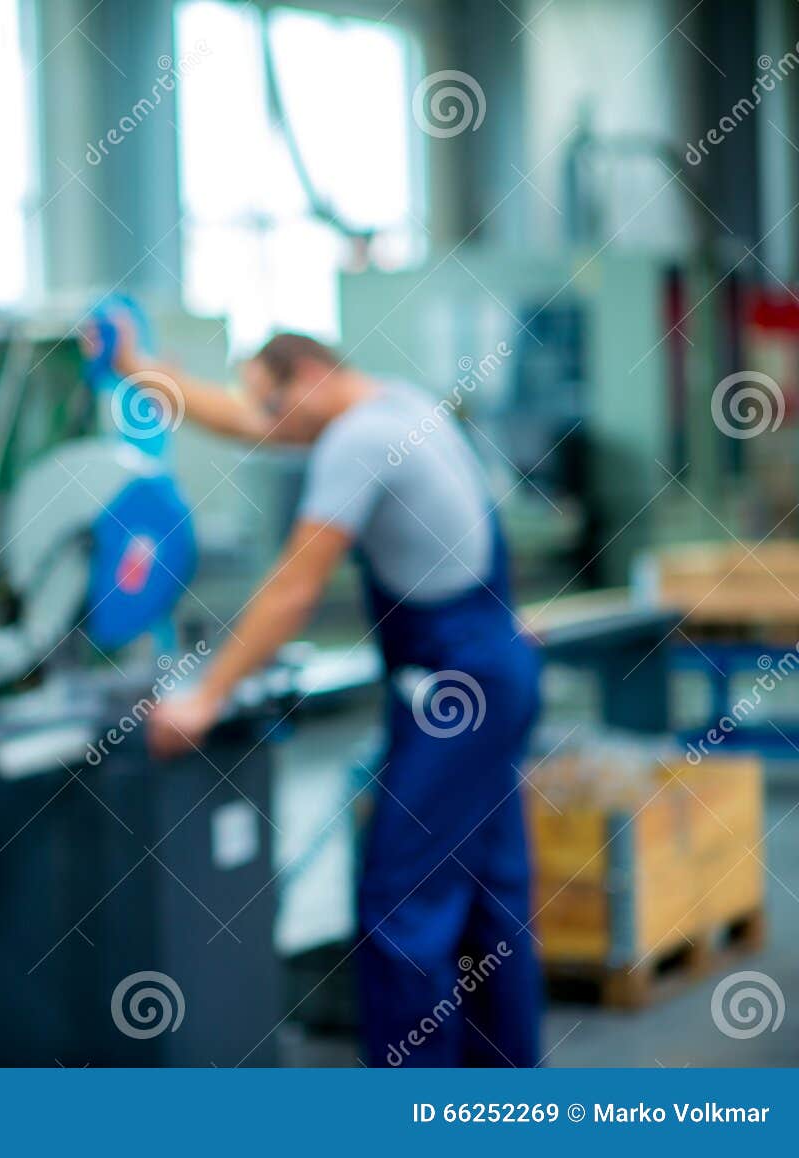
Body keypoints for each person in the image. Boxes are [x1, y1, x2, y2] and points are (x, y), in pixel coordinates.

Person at [115, 325, 543, 1067]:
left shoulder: (356, 441)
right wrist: (141, 372)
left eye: (275, 399)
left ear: (309, 374)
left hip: (453, 693)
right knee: (487, 898)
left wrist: (206, 698)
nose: (269, 422)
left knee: (400, 905)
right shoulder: (399, 405)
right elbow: (250, 423)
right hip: (495, 673)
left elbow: (293, 588)